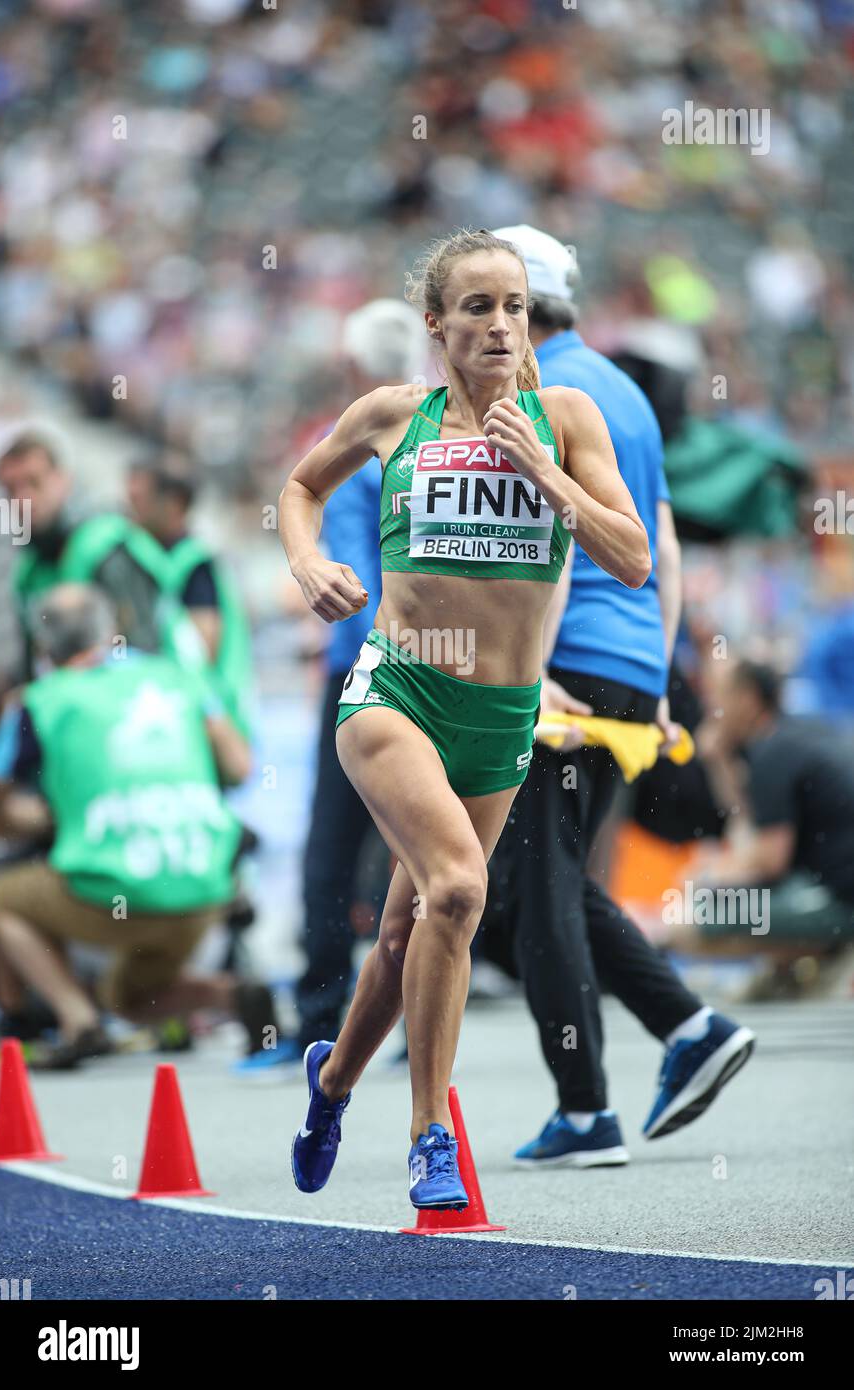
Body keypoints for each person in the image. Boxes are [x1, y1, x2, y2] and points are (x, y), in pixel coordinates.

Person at [278, 227, 651, 1212]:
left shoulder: (563, 418)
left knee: (408, 934)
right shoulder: (392, 415)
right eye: (476, 307)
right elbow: (299, 488)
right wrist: (308, 564)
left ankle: (329, 1085)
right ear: (435, 323)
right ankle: (428, 1132)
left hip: (499, 717)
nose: (497, 324)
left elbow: (631, 558)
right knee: (454, 891)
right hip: (396, 692)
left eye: (514, 306)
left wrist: (546, 474)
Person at [478, 224, 754, 1164]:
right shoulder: (628, 391)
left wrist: (535, 668)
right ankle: (686, 1030)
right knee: (547, 878)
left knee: (532, 885)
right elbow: (662, 542)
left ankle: (592, 1105)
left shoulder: (543, 393)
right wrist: (663, 673)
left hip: (569, 661)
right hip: (632, 666)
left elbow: (551, 543)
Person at [239, 299, 428, 1075]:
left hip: (365, 662)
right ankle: (417, 1013)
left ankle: (321, 1016)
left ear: (354, 366)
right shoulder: (439, 431)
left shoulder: (355, 435)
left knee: (332, 843)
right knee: (418, 845)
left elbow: (337, 559)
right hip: (430, 661)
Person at [0, 584, 274, 1069]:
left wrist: (43, 817)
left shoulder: (38, 701)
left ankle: (75, 1021)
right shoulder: (177, 677)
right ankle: (233, 996)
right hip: (209, 885)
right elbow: (240, 768)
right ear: (111, 631)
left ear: (43, 650)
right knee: (127, 996)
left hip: (114, 890)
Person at [666, 658, 854, 960]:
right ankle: (804, 967)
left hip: (840, 899)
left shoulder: (773, 753)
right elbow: (748, 821)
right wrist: (720, 760)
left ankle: (827, 956)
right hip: (826, 883)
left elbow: (767, 864)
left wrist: (707, 879)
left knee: (686, 920)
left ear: (748, 700)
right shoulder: (797, 733)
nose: (710, 706)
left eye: (718, 694)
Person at [0, 428, 204, 679]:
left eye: (34, 483)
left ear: (63, 480)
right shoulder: (29, 570)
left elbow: (144, 655)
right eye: (10, 489)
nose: (22, 499)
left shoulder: (107, 547)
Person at [126, 454, 255, 739]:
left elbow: (201, 650)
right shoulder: (154, 556)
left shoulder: (195, 563)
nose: (132, 509)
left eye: (141, 499)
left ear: (173, 504)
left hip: (206, 720)